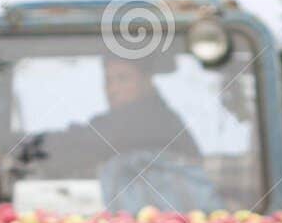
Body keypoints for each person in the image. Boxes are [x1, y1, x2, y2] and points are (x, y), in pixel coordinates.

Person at [31, 56, 201, 178]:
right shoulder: (159, 117)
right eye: (108, 81)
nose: (113, 89)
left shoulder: (150, 120)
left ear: (146, 82)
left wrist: (25, 147)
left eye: (123, 79)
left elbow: (83, 140)